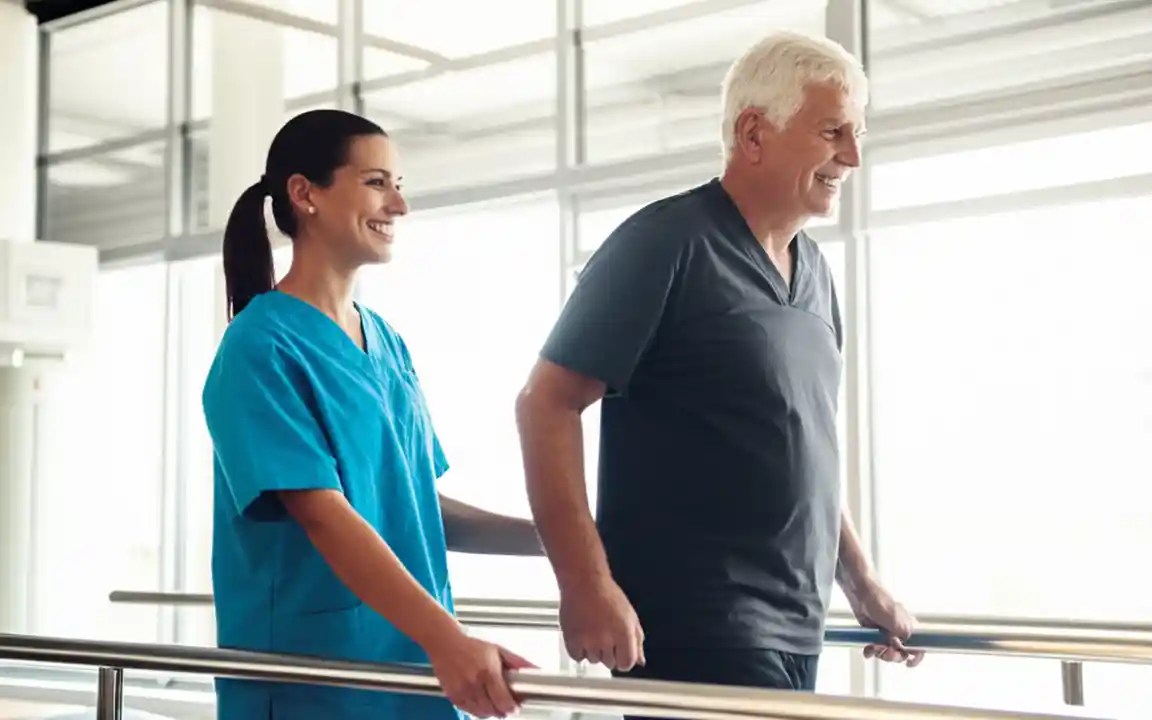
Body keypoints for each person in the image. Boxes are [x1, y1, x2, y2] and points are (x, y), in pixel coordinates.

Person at [515, 31, 923, 705]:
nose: (852, 156)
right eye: (831, 132)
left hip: (797, 626)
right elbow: (545, 404)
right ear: (754, 133)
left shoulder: (814, 269)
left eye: (857, 134)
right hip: (696, 626)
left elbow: (802, 446)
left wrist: (860, 579)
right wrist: (584, 585)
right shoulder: (664, 244)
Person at [203, 109, 543, 720]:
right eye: (377, 183)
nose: (399, 207)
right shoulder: (259, 348)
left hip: (411, 673)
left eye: (399, 186)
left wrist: (566, 543)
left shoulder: (386, 342)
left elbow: (414, 506)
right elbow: (326, 515)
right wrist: (447, 640)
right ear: (304, 194)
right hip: (319, 681)